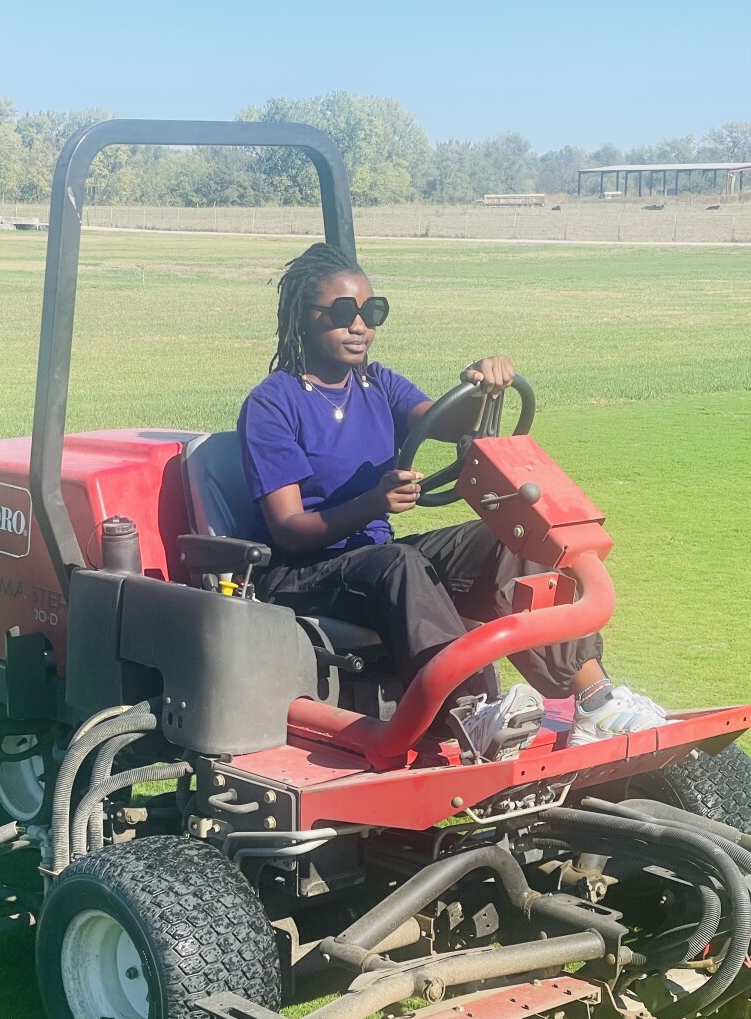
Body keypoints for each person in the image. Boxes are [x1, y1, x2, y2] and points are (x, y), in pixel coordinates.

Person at [237, 242, 666, 758]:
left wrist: (483, 386)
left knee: (505, 537)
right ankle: (472, 712)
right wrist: (373, 503)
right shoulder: (272, 405)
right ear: (303, 318)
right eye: (344, 312)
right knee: (399, 563)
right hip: (301, 574)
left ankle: (594, 699)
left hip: (375, 558)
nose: (360, 326)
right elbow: (288, 530)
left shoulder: (377, 384)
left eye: (372, 312)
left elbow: (446, 420)